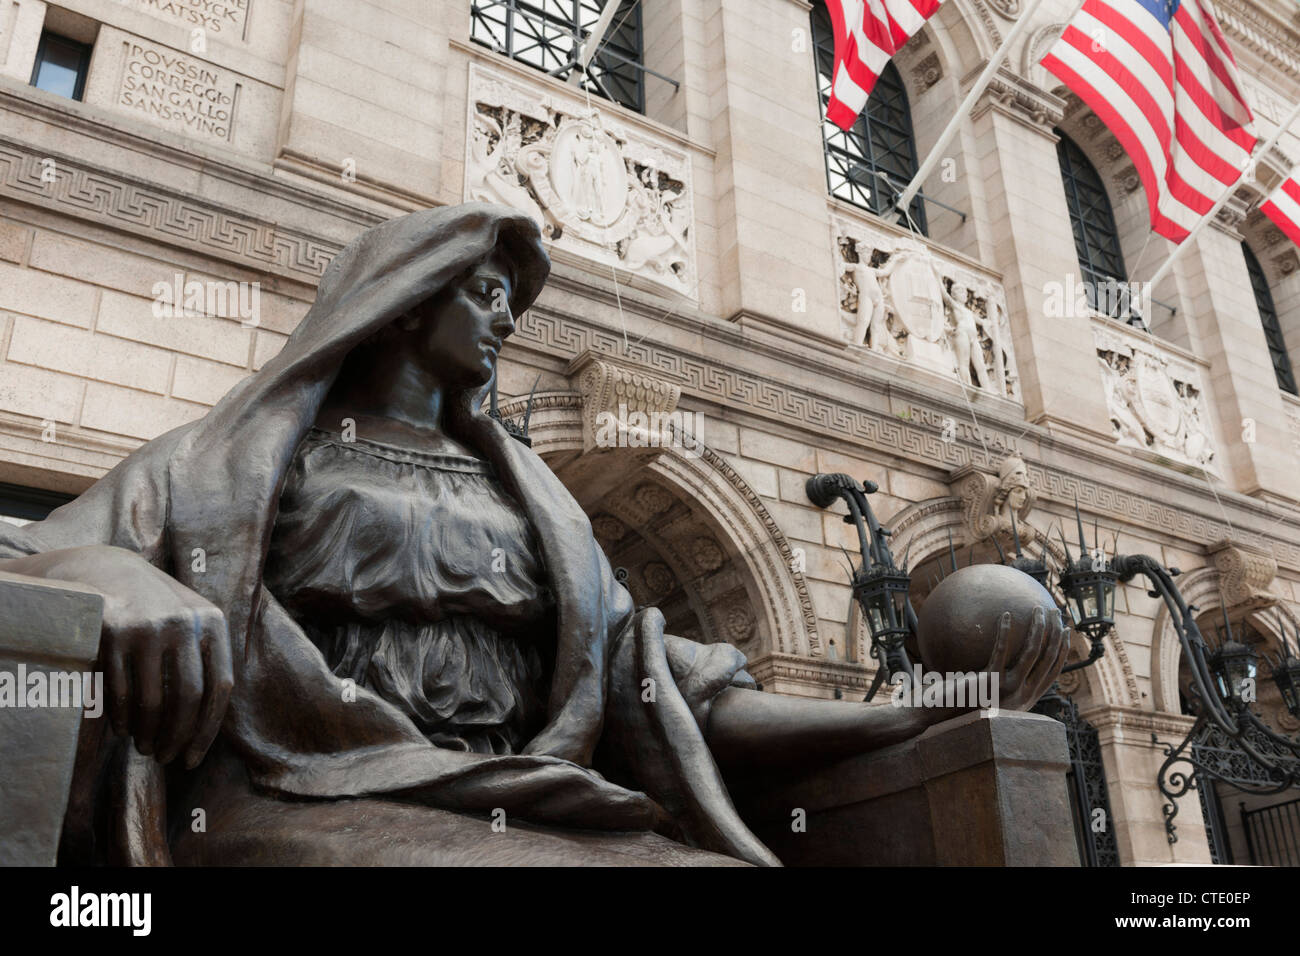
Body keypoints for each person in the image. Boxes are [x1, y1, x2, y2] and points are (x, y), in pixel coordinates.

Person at [0, 203, 1067, 866]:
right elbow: (27, 560)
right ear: (406, 304)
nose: (507, 319)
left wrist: (908, 713)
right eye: (484, 292)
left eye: (510, 299)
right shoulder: (226, 460)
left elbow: (676, 693)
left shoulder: (538, 504)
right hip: (302, 797)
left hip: (535, 801)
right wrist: (110, 573)